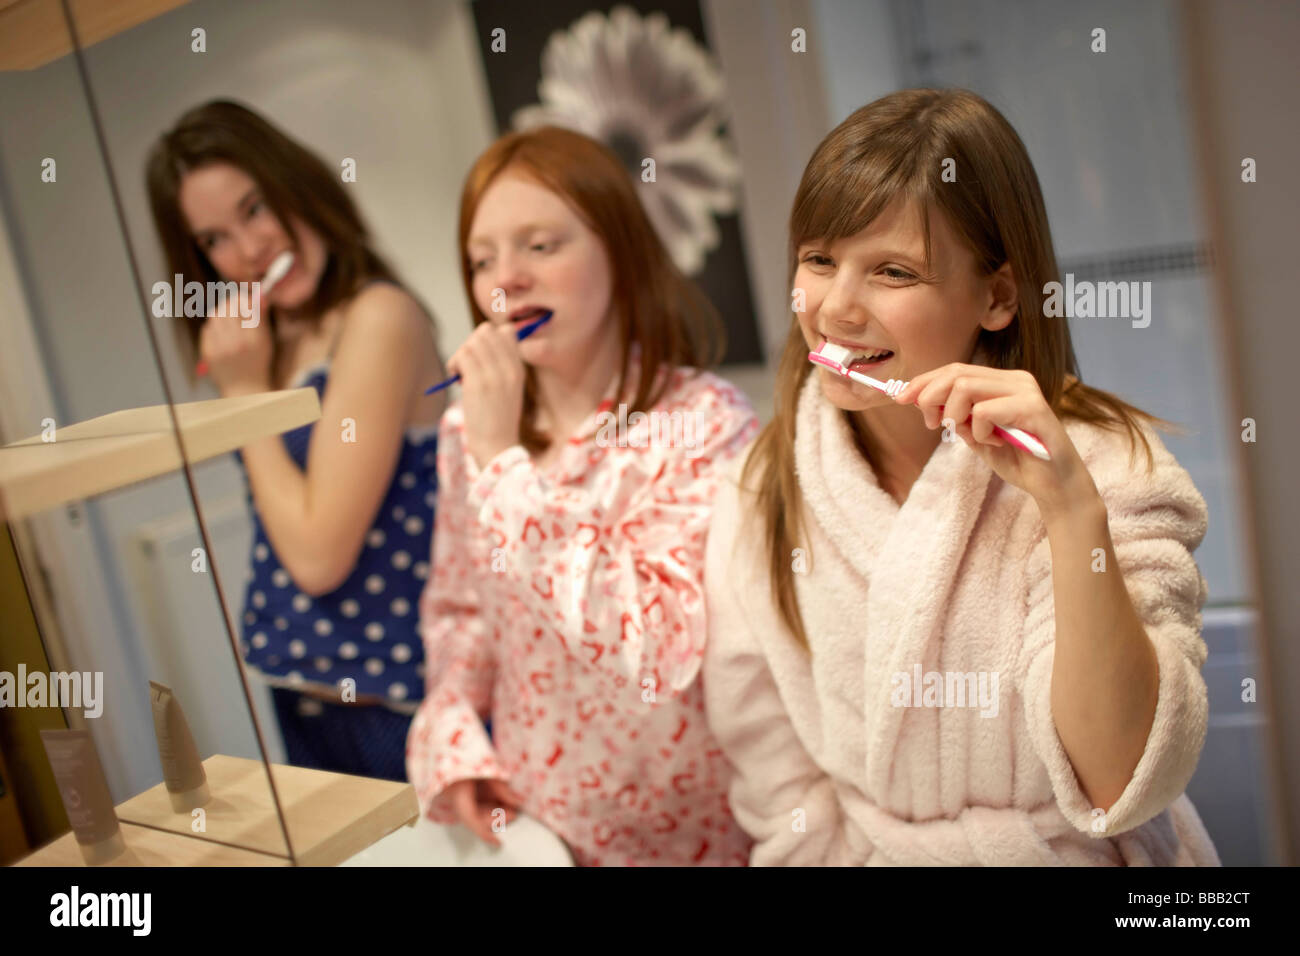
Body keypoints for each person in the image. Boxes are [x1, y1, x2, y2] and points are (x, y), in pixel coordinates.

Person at [702, 88, 1220, 865]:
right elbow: (776, 782)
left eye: (893, 271)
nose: (836, 307)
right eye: (818, 259)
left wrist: (1071, 510)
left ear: (998, 296)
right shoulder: (761, 488)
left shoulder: (1112, 467)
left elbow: (1120, 782)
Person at [406, 126, 759, 865]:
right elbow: (461, 612)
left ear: (621, 251)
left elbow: (658, 644)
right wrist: (457, 741)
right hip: (536, 830)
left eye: (540, 246)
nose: (506, 281)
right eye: (482, 260)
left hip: (689, 834)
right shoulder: (465, 428)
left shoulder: (702, 422)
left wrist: (502, 464)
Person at [146, 100, 448, 780]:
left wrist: (244, 395)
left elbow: (317, 555)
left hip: (402, 705)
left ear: (300, 185)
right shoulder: (270, 343)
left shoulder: (378, 318)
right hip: (301, 699)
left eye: (255, 208)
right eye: (215, 239)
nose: (250, 250)